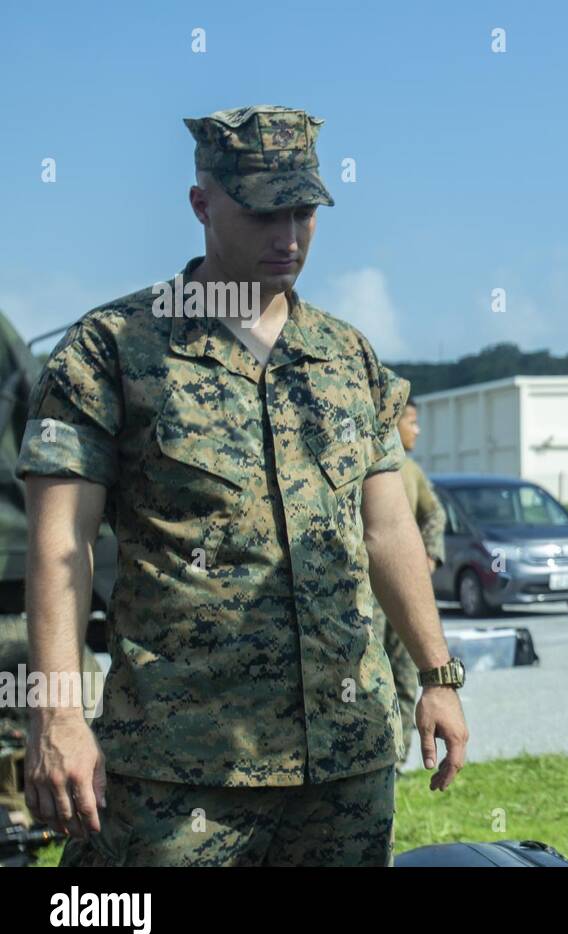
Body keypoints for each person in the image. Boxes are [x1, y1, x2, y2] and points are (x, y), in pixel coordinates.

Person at [18, 105, 468, 866]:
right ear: (202, 205)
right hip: (181, 771)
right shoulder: (115, 349)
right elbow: (61, 545)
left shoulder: (345, 357)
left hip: (343, 762)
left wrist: (437, 675)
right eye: (264, 211)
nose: (287, 236)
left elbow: (386, 528)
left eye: (303, 210)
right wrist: (57, 713)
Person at [373, 400, 447, 768]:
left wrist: (429, 556)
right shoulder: (362, 465)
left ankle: (397, 759)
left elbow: (434, 513)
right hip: (367, 597)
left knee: (404, 676)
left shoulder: (411, 471)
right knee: (370, 677)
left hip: (404, 593)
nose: (416, 430)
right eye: (412, 422)